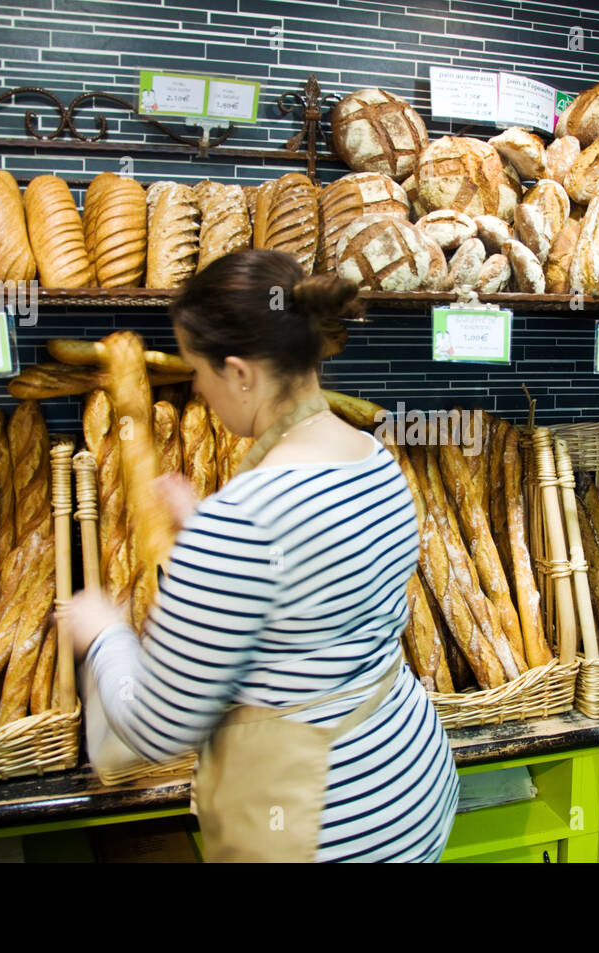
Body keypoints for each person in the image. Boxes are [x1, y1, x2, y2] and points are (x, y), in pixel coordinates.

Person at [62, 249, 459, 862]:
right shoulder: (374, 461)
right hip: (407, 787)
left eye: (200, 370)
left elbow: (156, 728)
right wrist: (208, 533)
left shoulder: (241, 520)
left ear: (242, 374)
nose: (196, 387)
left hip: (318, 825)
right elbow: (322, 599)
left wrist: (104, 632)